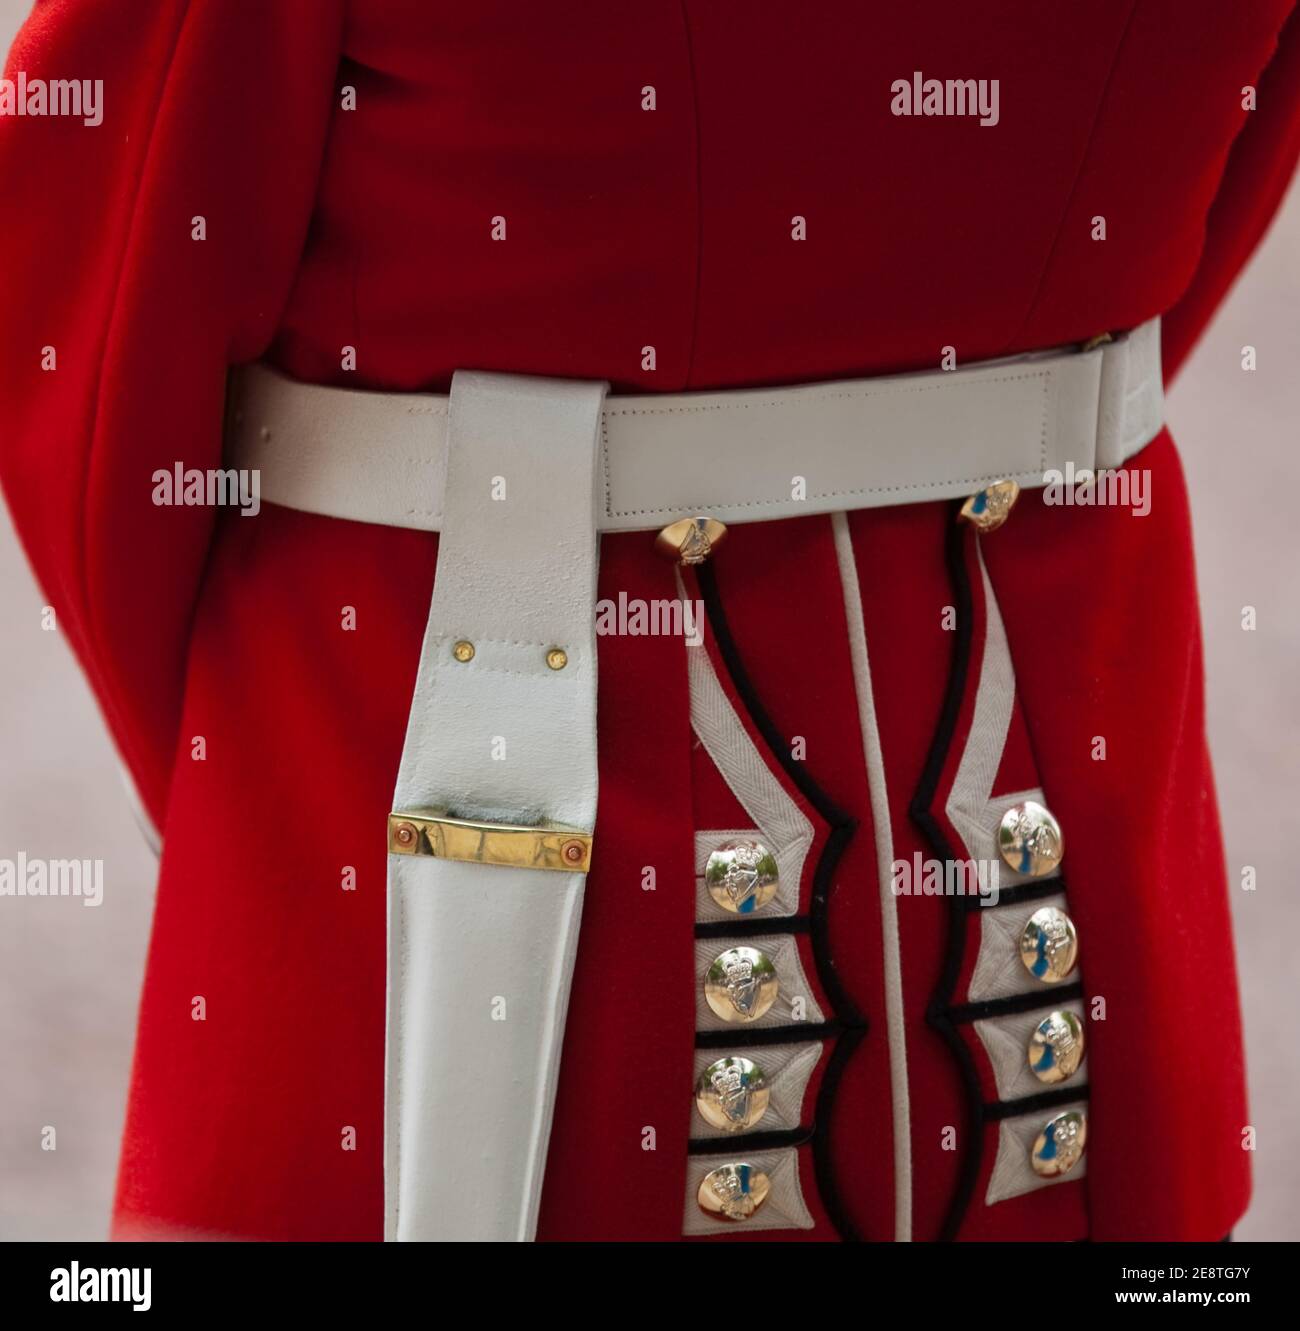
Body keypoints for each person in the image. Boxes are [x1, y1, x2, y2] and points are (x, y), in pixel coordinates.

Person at [1, 0, 1296, 1242]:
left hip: (440, 833)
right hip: (1061, 817)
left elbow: (89, 318)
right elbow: (1200, 212)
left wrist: (247, 780)